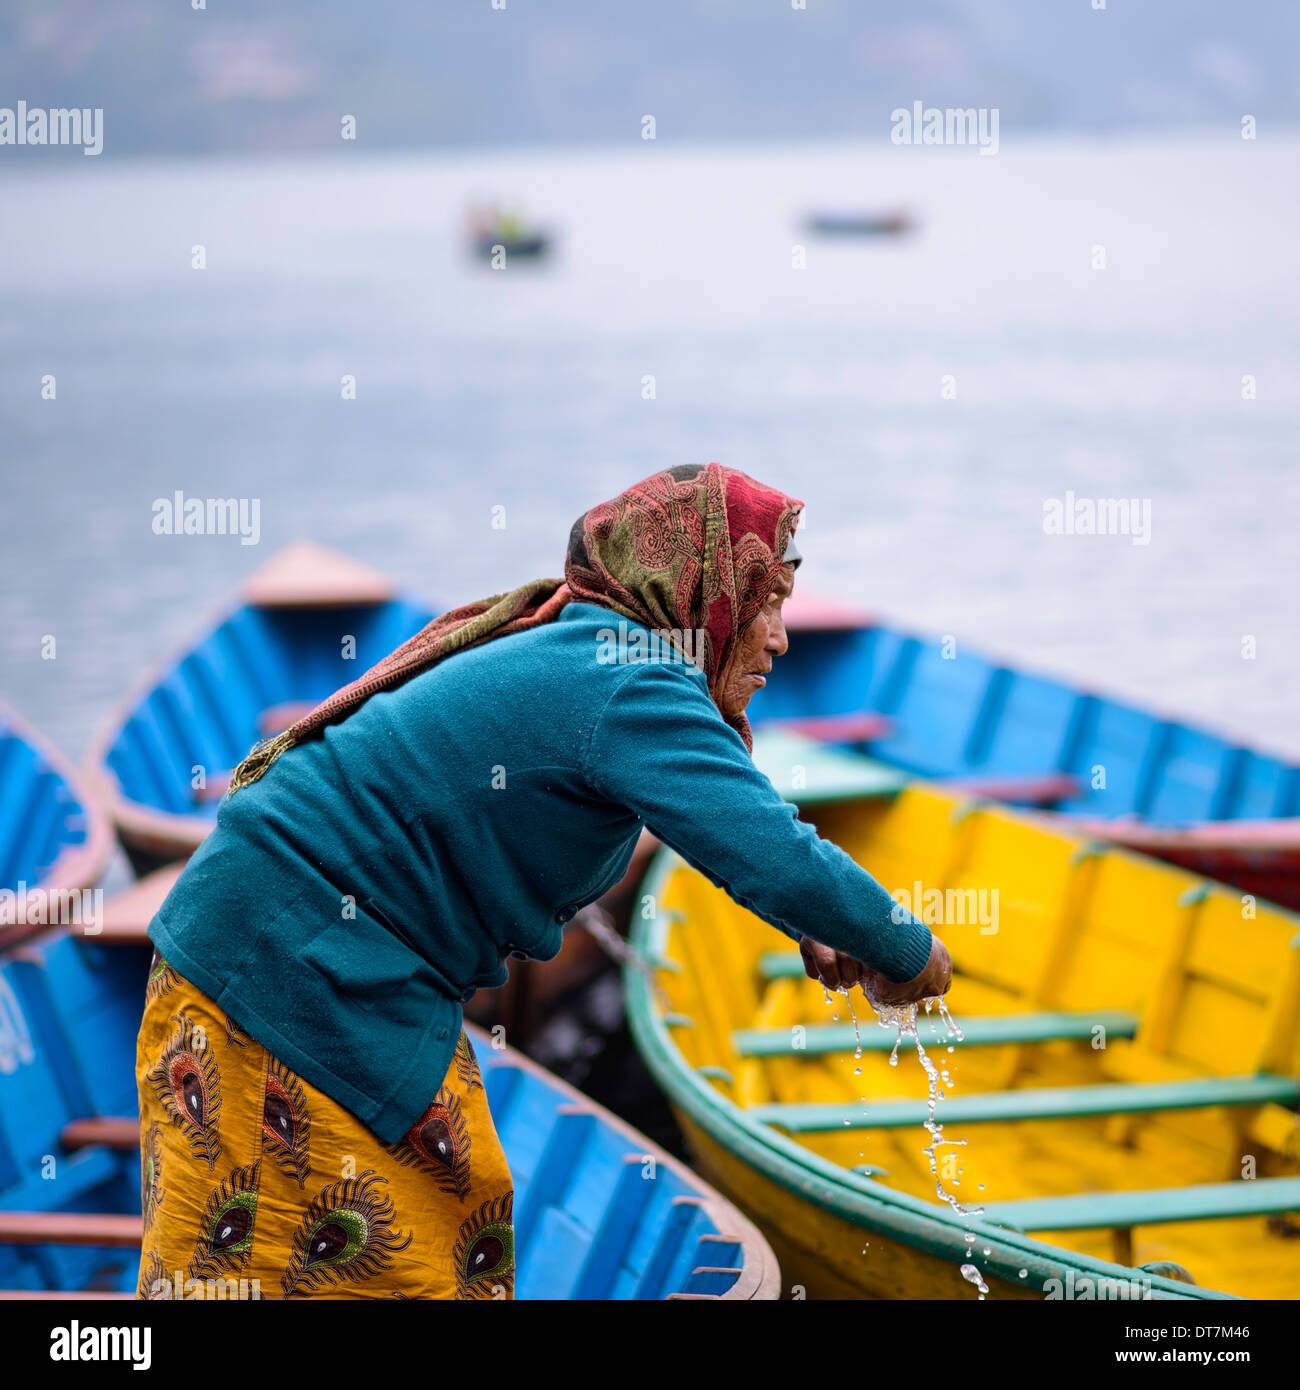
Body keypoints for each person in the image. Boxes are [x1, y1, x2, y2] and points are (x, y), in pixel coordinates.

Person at [135, 461, 951, 1300]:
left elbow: (731, 833)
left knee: (443, 1231)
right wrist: (901, 945)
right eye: (767, 598)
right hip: (279, 972)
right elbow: (770, 847)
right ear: (706, 586)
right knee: (319, 1264)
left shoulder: (593, 653)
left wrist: (812, 923)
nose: (780, 636)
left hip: (321, 963)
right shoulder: (626, 677)